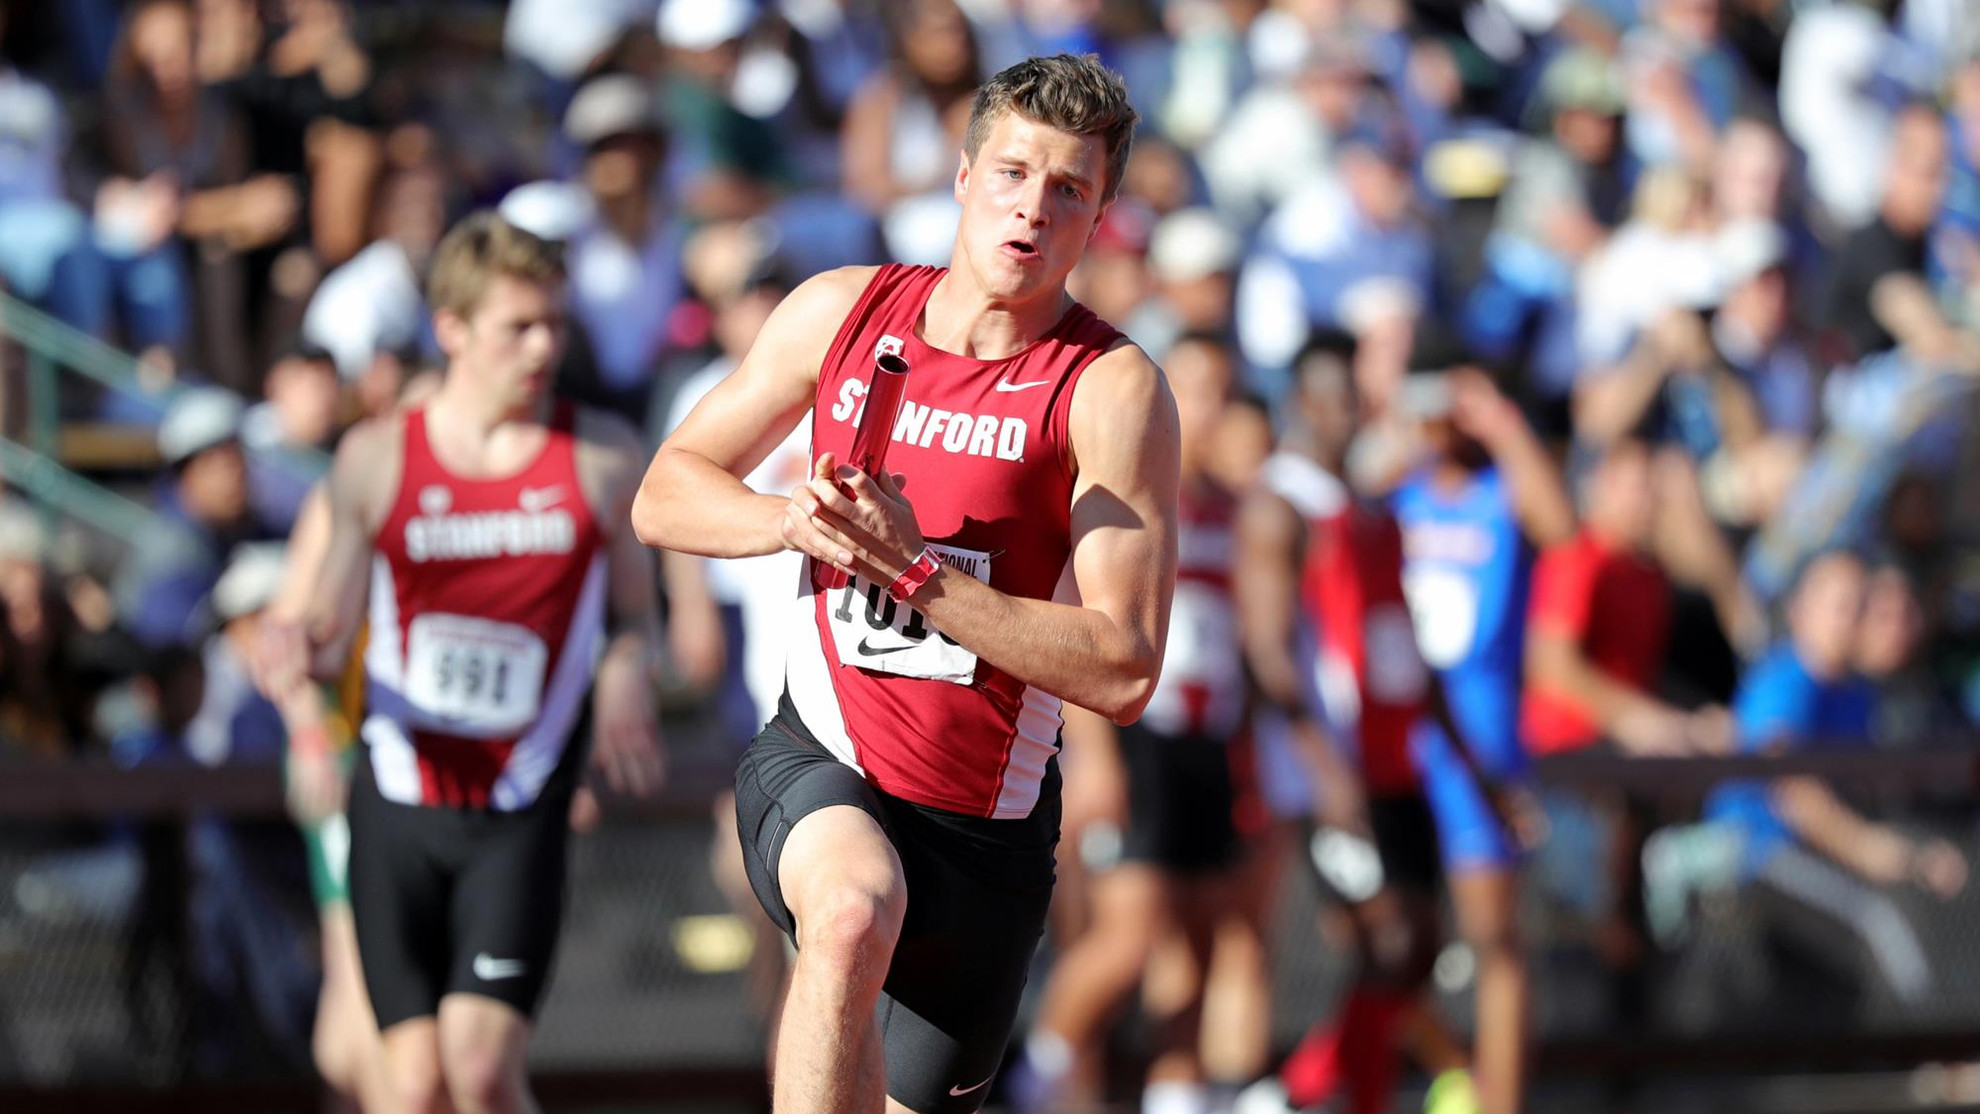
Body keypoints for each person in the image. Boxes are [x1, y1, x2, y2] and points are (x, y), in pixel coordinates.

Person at [634, 53, 1178, 1114]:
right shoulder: (844, 312)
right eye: (1014, 172)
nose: (1033, 208)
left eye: (1069, 187)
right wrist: (797, 523)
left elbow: (1123, 667)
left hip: (984, 830)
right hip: (822, 757)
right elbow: (665, 492)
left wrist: (915, 572)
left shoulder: (1110, 388)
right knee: (847, 910)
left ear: (1101, 212)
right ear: (964, 174)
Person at [254, 212, 665, 1114]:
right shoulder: (376, 459)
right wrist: (291, 654)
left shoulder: (597, 456)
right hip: (397, 797)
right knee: (410, 1085)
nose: (543, 345)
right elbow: (326, 620)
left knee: (480, 1074)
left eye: (554, 323)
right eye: (519, 325)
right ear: (452, 331)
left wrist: (626, 669)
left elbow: (636, 615)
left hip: (519, 801)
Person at [1232, 338, 1502, 1114]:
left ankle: (1314, 1091)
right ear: (1304, 404)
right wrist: (1322, 765)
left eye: (1357, 394)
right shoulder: (1279, 504)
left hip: (1388, 760)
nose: (1353, 411)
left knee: (1417, 946)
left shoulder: (1365, 508)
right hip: (1327, 767)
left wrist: (1466, 760)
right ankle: (1289, 1095)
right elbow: (1266, 649)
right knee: (1383, 941)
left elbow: (1401, 647)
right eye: (1336, 395)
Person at [1010, 331, 1244, 1114]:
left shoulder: (1235, 507)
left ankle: (1178, 1098)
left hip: (1205, 742)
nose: (1212, 410)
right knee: (1127, 936)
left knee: (1200, 939)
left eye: (1223, 391)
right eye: (1197, 390)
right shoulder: (1122, 491)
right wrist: (1094, 752)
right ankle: (1029, 1077)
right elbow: (1082, 625)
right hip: (1134, 738)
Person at [1387, 364, 1576, 1114]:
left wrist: (1502, 423)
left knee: (1495, 938)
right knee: (1379, 929)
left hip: (1482, 729)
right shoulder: (1403, 492)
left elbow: (1560, 526)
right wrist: (1405, 422)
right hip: (1400, 728)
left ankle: (1501, 1104)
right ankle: (1457, 1071)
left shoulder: (1501, 497)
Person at [1704, 550, 1967, 1013]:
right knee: (1879, 917)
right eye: (1839, 604)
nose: (1851, 618)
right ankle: (1935, 1051)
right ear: (1800, 610)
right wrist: (1874, 851)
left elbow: (1863, 797)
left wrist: (1917, 852)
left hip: (1822, 848)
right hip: (1759, 850)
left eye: (1860, 604)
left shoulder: (1856, 693)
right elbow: (1794, 796)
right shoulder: (1784, 682)